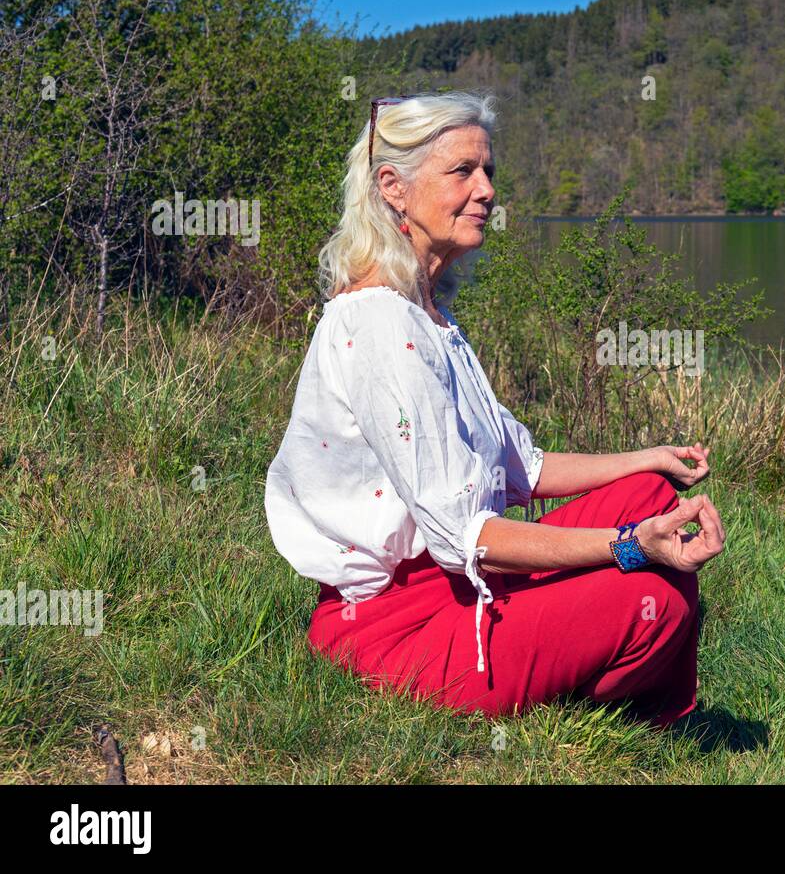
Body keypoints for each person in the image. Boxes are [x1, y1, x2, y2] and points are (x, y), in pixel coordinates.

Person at [263, 90, 726, 728]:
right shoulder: (376, 325)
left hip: (453, 582)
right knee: (652, 596)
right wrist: (627, 548)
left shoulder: (429, 315)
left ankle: (602, 674)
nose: (485, 190)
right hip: (392, 626)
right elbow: (467, 539)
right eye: (462, 172)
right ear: (393, 187)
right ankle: (627, 708)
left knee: (647, 493)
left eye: (489, 173)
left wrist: (648, 459)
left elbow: (520, 467)